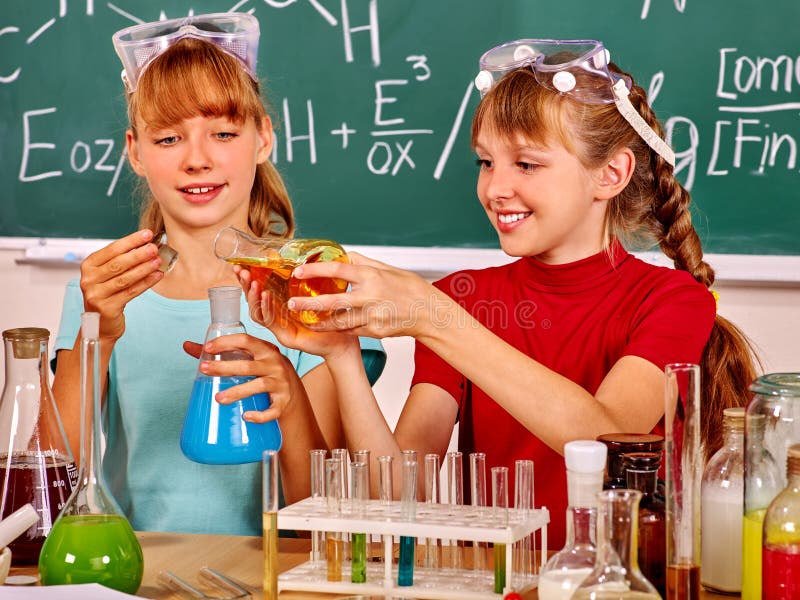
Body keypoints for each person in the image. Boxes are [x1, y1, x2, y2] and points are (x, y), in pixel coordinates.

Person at [237, 39, 759, 548]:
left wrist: (434, 317)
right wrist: (343, 357)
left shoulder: (674, 299)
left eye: (526, 164)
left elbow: (603, 440)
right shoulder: (464, 299)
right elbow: (396, 499)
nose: (495, 188)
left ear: (611, 174)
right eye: (486, 162)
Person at [51, 13, 384, 537]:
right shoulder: (99, 294)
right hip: (130, 574)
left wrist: (290, 397)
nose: (197, 159)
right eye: (168, 140)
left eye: (224, 133)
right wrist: (100, 331)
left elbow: (323, 514)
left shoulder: (310, 289)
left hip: (270, 578)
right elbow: (51, 478)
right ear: (135, 151)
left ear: (264, 139)